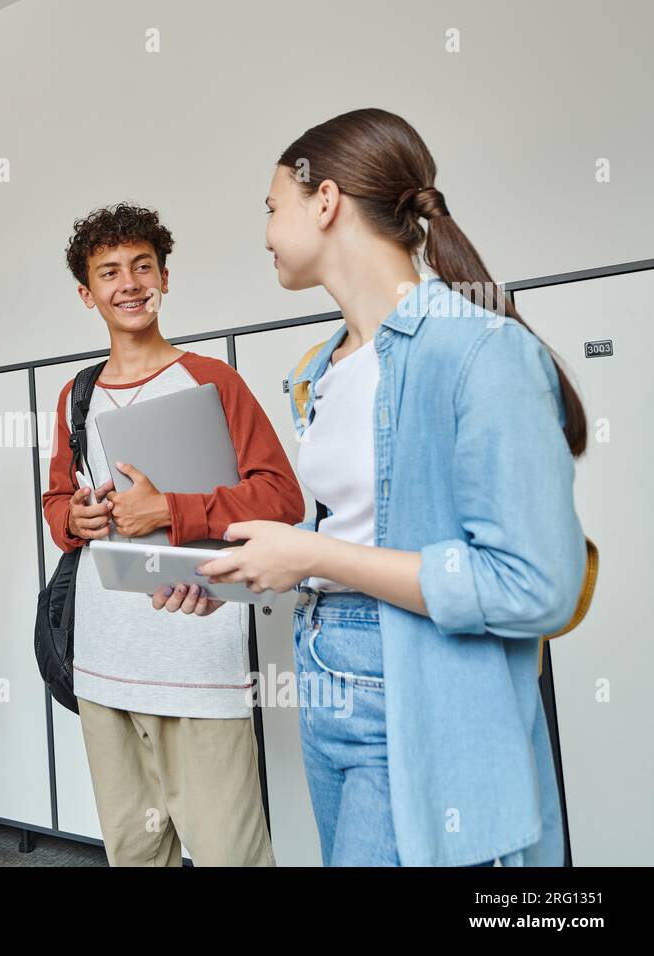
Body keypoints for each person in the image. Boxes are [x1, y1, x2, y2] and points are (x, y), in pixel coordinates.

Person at [158, 108, 587, 867]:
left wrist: (310, 554)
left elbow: (535, 587)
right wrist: (235, 573)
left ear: (323, 200)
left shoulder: (479, 350)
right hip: (326, 673)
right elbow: (348, 541)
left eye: (270, 207)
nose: (263, 230)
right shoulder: (322, 368)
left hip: (415, 691)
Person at [41, 203, 305, 866]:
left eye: (142, 267)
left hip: (195, 661)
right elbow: (54, 506)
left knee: (229, 854)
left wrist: (171, 511)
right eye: (110, 273)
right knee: (136, 853)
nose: (128, 283)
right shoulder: (75, 394)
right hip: (102, 666)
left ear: (164, 278)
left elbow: (282, 499)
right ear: (87, 293)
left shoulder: (214, 381)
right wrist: (75, 519)